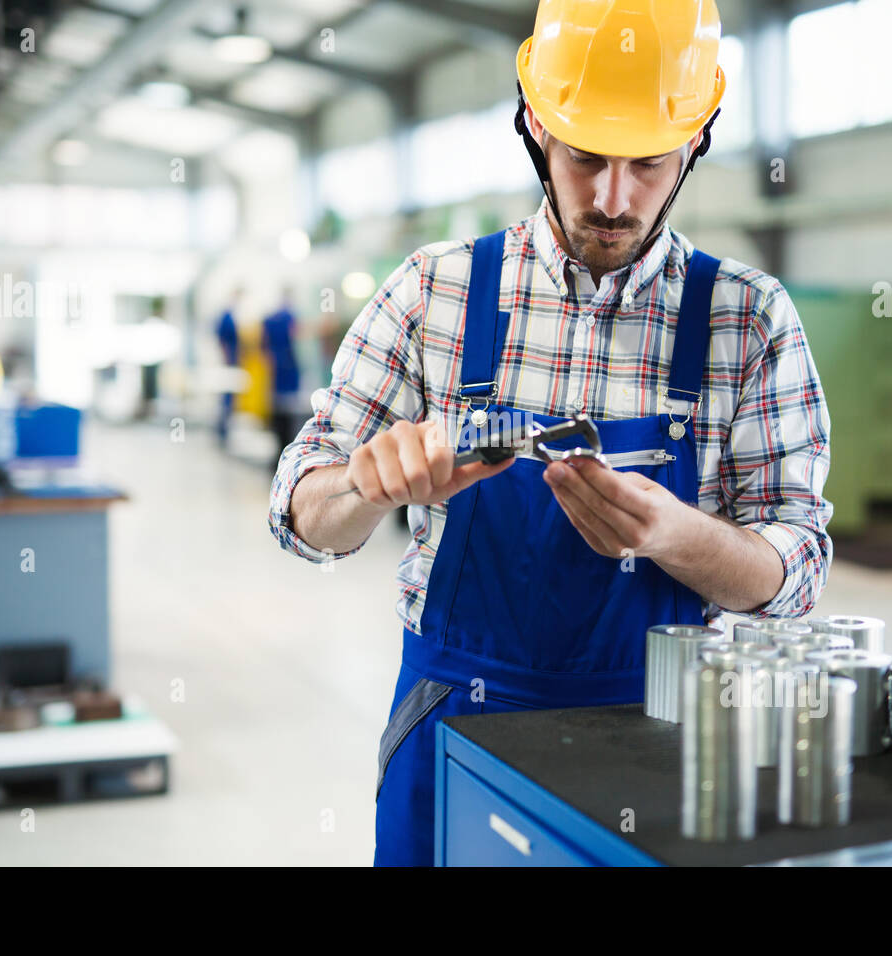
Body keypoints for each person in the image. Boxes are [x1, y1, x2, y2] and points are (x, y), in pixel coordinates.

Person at [268, 0, 833, 866]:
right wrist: (364, 484)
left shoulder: (747, 321)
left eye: (647, 163)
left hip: (658, 742)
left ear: (699, 138)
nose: (613, 198)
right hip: (452, 729)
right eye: (584, 157)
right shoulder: (433, 294)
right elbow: (301, 514)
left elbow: (795, 571)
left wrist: (683, 540)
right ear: (536, 126)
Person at [260, 287, 303, 471]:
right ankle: (283, 452)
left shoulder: (270, 320)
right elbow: (297, 336)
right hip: (285, 369)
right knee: (286, 413)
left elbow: (264, 344)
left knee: (278, 412)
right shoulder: (289, 318)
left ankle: (279, 453)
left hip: (276, 370)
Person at [214, 289, 242, 446]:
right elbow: (222, 339)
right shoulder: (226, 316)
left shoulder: (231, 315)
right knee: (226, 398)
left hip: (232, 360)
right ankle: (222, 432)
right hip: (228, 362)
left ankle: (225, 431)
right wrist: (226, 358)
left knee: (230, 398)